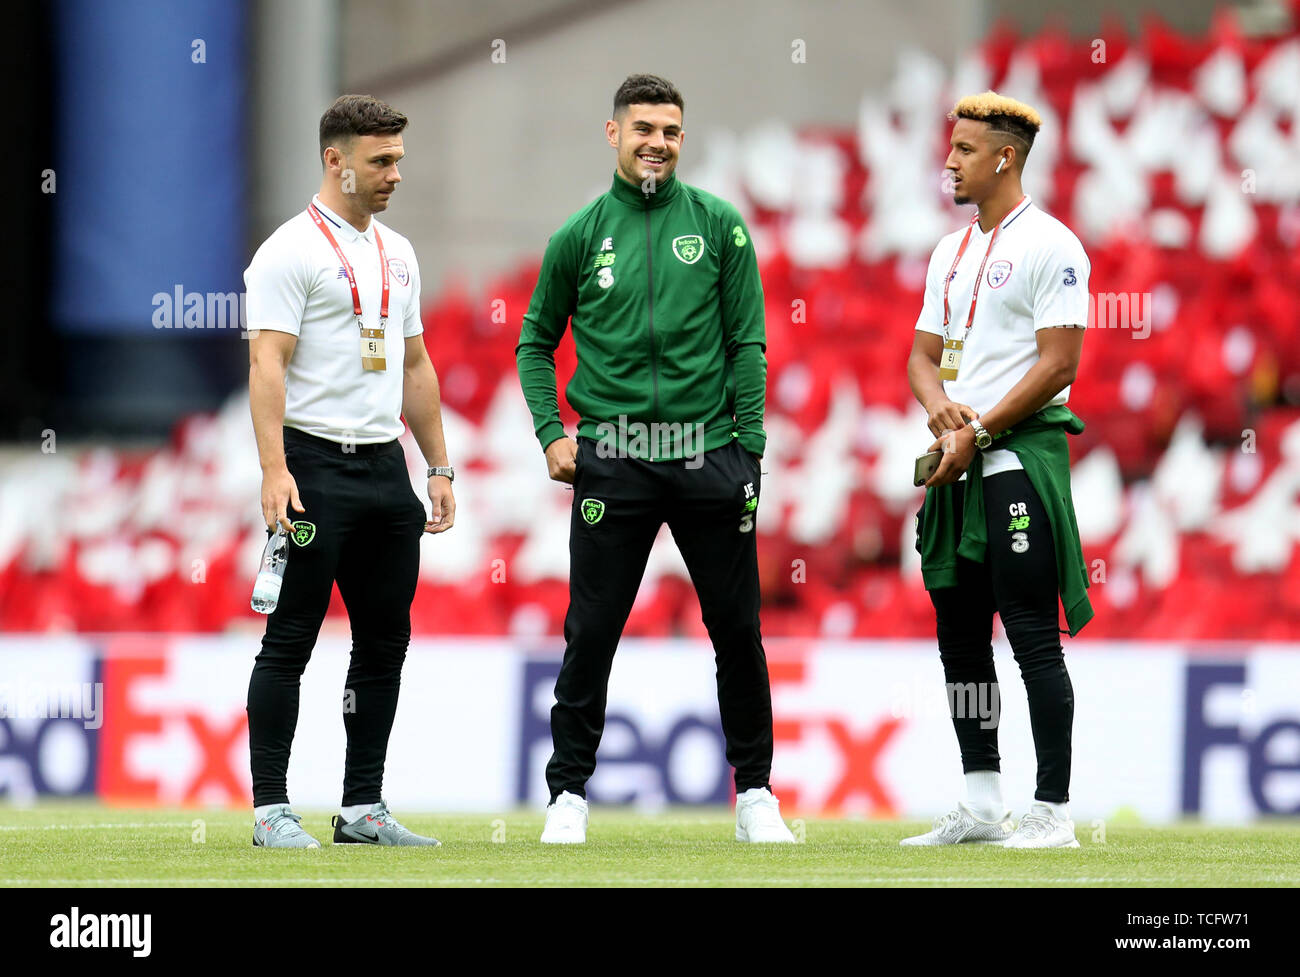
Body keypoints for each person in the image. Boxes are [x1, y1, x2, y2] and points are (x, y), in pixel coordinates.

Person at [516, 73, 794, 844]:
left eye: (671, 131)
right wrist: (551, 432)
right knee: (592, 630)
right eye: (643, 128)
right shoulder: (577, 236)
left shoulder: (720, 225)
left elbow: (748, 342)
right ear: (614, 134)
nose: (658, 143)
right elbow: (534, 343)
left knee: (737, 631)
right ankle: (567, 795)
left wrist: (752, 449)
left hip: (709, 458)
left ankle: (756, 796)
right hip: (615, 460)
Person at [244, 94, 455, 848]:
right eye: (382, 160)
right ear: (336, 161)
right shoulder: (287, 251)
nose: (397, 171)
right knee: (291, 637)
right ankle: (272, 809)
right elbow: (266, 361)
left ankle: (361, 807)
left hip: (382, 468)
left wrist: (439, 465)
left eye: (398, 157)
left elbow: (418, 363)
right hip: (311, 464)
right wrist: (274, 469)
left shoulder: (398, 252)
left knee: (383, 641)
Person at [904, 91, 1093, 849]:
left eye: (964, 150)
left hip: (1016, 460)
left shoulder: (1055, 245)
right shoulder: (947, 252)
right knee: (960, 639)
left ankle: (1052, 809)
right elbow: (920, 357)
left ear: (1004, 158)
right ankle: (983, 802)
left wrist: (978, 426)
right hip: (959, 463)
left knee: (1030, 634)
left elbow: (1059, 364)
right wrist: (941, 408)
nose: (949, 161)